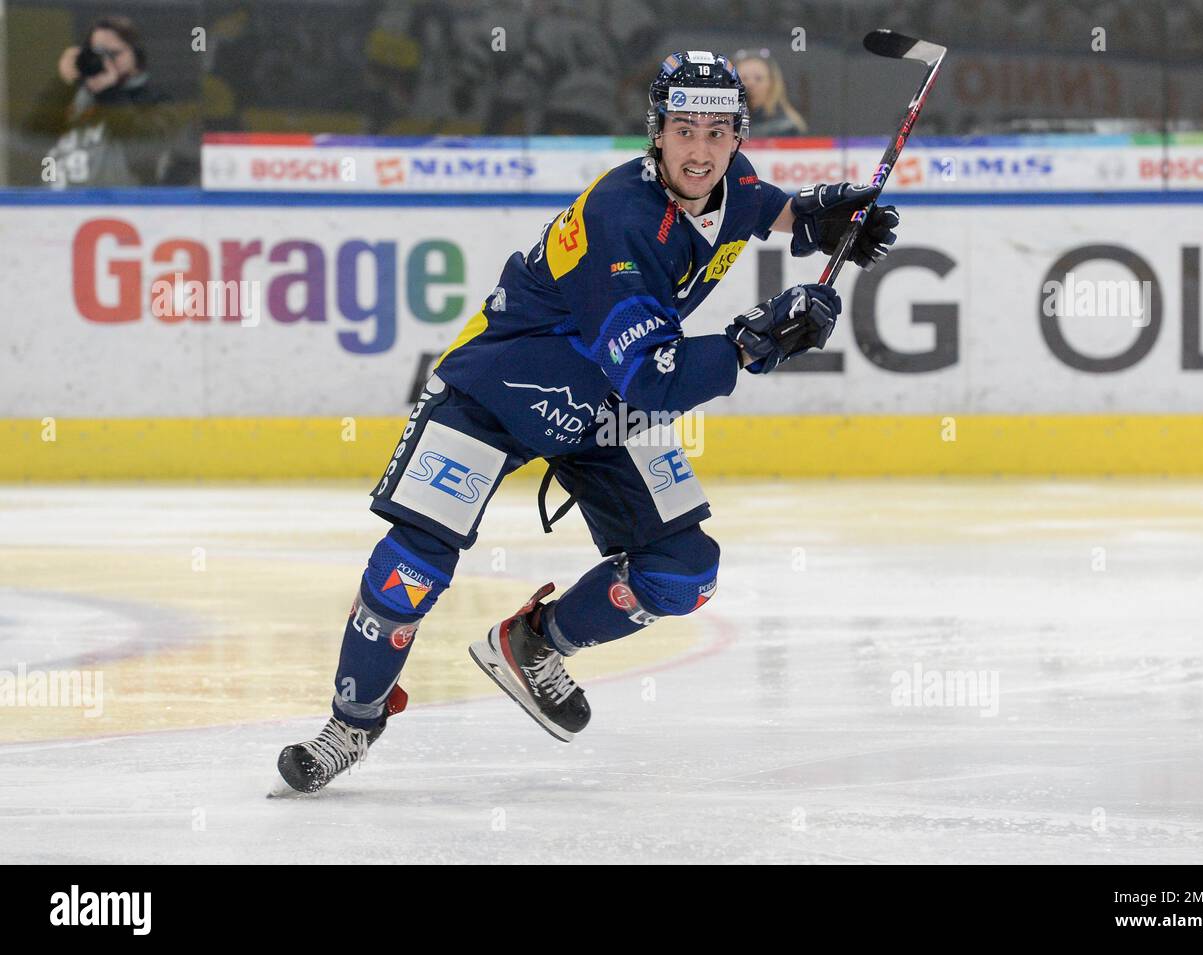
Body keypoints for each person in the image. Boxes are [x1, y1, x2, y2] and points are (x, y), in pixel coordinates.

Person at [274, 50, 900, 794]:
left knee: (684, 573)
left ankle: (533, 642)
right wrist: (748, 343)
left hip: (602, 404)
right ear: (655, 134)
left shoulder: (730, 181)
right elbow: (656, 377)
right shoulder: (619, 220)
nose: (699, 150)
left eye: (717, 131)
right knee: (411, 565)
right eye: (683, 130)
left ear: (738, 136)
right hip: (497, 392)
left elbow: (766, 207)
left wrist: (818, 218)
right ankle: (352, 720)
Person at [30, 16, 184, 187]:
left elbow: (144, 146)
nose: (105, 61)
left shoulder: (156, 100)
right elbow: (34, 135)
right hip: (55, 203)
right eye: (97, 53)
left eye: (113, 54)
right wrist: (63, 84)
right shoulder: (73, 94)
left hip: (120, 206)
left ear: (136, 56)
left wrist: (109, 92)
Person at [734, 49, 808, 137]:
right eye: (744, 78)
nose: (750, 85)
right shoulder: (725, 125)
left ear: (772, 84)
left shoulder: (786, 128)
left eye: (758, 78)